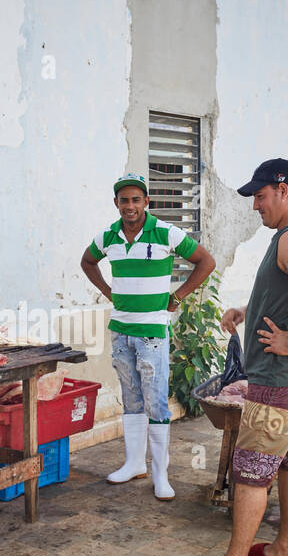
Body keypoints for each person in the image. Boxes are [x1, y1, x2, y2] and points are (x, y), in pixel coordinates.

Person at [182, 159, 288, 556]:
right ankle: (285, 548)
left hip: (281, 376)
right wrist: (252, 312)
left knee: (250, 471)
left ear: (283, 190)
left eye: (260, 197)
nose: (255, 207)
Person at [81, 173, 216, 500]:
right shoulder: (109, 237)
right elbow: (87, 261)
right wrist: (106, 290)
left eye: (136, 200)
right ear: (117, 204)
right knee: (131, 399)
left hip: (153, 333)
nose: (130, 206)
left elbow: (205, 261)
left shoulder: (165, 233)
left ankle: (160, 474)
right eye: (124, 200)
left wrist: (178, 296)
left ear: (146, 203)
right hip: (121, 331)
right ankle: (133, 463)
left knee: (156, 402)